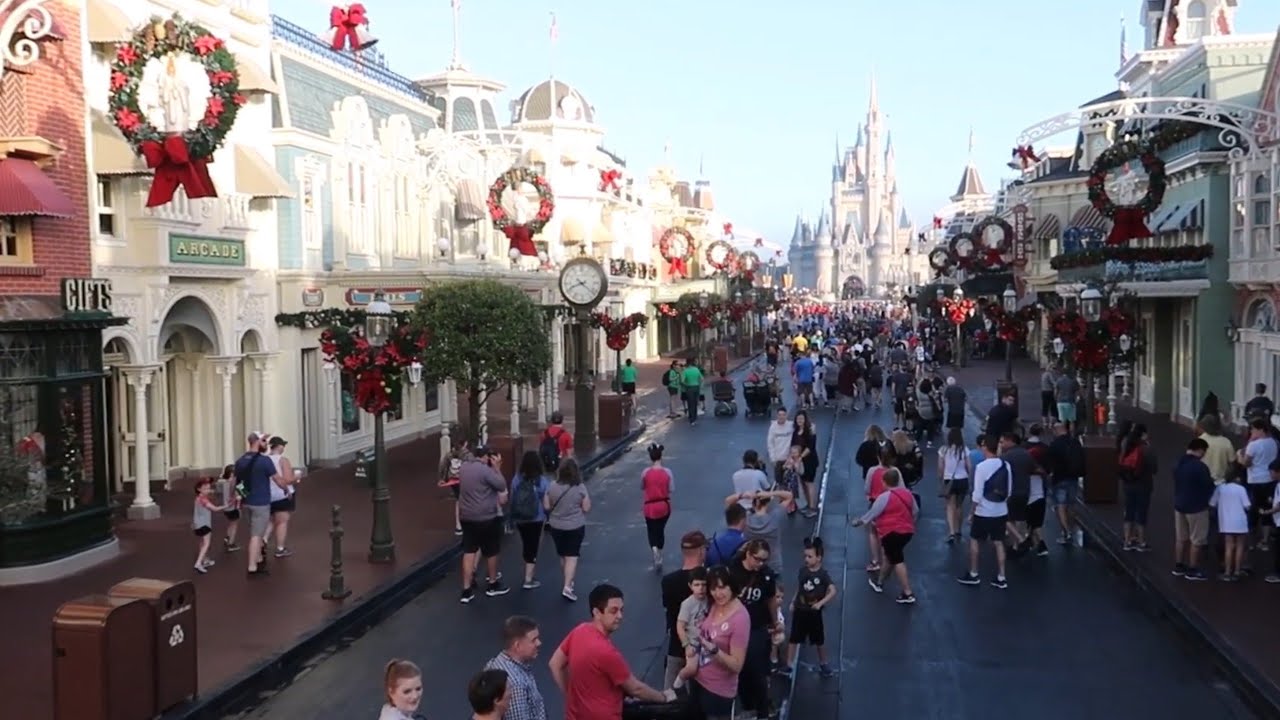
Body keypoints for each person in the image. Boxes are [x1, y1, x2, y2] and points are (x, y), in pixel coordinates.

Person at [548, 584, 673, 719]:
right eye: (613, 611)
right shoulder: (606, 652)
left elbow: (555, 664)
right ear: (596, 612)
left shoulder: (579, 631)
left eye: (621, 610)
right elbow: (635, 688)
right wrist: (663, 697)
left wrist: (571, 696)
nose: (620, 616)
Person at [681, 566, 750, 720]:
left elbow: (737, 665)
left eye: (722, 587)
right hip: (699, 680)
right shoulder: (714, 604)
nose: (718, 594)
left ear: (731, 585)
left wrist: (713, 650)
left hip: (718, 690)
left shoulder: (740, 618)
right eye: (713, 589)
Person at [727, 539, 779, 719]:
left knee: (759, 672)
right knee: (739, 670)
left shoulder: (766, 575)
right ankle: (748, 706)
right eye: (757, 559)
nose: (760, 564)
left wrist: (775, 622)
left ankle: (763, 709)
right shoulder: (733, 570)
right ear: (748, 554)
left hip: (757, 627)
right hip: (736, 629)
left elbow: (770, 599)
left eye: (764, 560)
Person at [853, 468, 919, 604]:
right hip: (907, 531)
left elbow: (873, 513)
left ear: (884, 482)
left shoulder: (884, 497)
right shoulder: (907, 494)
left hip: (891, 532)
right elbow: (915, 511)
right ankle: (880, 583)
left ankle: (908, 593)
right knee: (890, 557)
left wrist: (859, 521)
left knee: (897, 560)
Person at [458, 446, 511, 603]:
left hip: (467, 516)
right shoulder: (485, 471)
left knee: (469, 551)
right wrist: (497, 468)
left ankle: (466, 589)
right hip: (486, 517)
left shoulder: (464, 468)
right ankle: (492, 583)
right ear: (487, 457)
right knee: (491, 551)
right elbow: (501, 485)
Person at [958, 436, 1011, 589]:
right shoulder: (1005, 465)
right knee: (999, 542)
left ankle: (974, 573)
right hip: (1001, 510)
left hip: (983, 511)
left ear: (985, 448)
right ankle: (1002, 576)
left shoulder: (982, 467)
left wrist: (972, 512)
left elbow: (977, 493)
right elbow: (1009, 490)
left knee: (975, 540)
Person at [661, 531, 708, 688]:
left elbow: (669, 611)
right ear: (701, 551)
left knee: (669, 694)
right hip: (703, 649)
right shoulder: (709, 580)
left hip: (676, 646)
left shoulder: (668, 581)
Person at [783, 537, 836, 677]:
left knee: (819, 640)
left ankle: (824, 663)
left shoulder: (823, 575)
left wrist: (820, 603)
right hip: (801, 610)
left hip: (813, 613)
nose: (806, 559)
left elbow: (833, 591)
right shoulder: (803, 571)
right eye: (805, 556)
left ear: (818, 558)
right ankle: (789, 664)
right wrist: (793, 602)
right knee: (794, 638)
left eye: (809, 556)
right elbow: (799, 588)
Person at [234, 432, 281, 576]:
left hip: (246, 502)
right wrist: (287, 488)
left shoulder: (240, 461)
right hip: (261, 502)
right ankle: (252, 566)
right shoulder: (264, 461)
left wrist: (237, 499)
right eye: (264, 441)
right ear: (258, 441)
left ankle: (259, 558)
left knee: (255, 532)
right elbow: (277, 479)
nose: (266, 444)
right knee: (256, 535)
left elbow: (236, 482)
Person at [546, 458, 591, 602]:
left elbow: (547, 506)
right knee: (572, 556)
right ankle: (567, 586)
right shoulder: (580, 488)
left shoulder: (552, 486)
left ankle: (568, 580)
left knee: (563, 554)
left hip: (556, 526)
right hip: (575, 526)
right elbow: (586, 508)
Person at [485, 615, 547, 720]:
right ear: (517, 646)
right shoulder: (515, 684)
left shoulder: (495, 662)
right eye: (533, 640)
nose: (539, 643)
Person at [1172, 438, 1214, 582]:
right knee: (1197, 539)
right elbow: (1208, 486)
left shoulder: (1178, 463)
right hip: (1196, 507)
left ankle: (1178, 566)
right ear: (1200, 450)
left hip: (1179, 504)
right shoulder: (1200, 467)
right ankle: (1193, 569)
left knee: (1181, 538)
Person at [508, 450, 551, 590]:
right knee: (532, 546)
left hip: (520, 517)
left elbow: (513, 496)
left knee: (526, 543)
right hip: (536, 517)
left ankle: (528, 567)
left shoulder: (516, 478)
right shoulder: (542, 481)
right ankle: (528, 578)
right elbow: (546, 502)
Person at [1118, 424, 1156, 552]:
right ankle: (1141, 541)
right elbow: (1154, 468)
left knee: (1129, 511)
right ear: (1143, 435)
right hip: (1144, 485)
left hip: (1128, 484)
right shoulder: (1146, 449)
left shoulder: (1126, 445)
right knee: (1141, 513)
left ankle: (1127, 540)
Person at [738, 488, 794, 574]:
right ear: (768, 503)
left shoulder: (747, 519)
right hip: (773, 564)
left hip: (753, 563)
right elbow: (789, 496)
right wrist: (771, 493)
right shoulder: (776, 516)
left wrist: (743, 495)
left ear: (754, 504)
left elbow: (728, 502)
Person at [672, 566, 710, 689]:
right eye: (697, 585)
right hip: (693, 643)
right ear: (690, 586)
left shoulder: (710, 600)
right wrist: (686, 645)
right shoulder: (688, 604)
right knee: (692, 668)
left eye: (704, 585)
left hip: (708, 642)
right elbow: (680, 626)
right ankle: (677, 684)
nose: (701, 589)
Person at [1210, 471, 1251, 581]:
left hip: (1226, 522)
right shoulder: (1241, 489)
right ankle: (1237, 571)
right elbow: (1247, 506)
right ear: (1236, 478)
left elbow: (1212, 503)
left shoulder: (1220, 488)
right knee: (1240, 546)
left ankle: (1227, 572)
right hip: (1240, 522)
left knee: (1229, 547)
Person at [641, 443, 674, 570]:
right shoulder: (667, 472)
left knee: (651, 529)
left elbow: (642, 487)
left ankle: (654, 549)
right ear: (661, 456)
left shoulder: (645, 472)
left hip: (649, 506)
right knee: (660, 529)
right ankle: (659, 550)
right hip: (664, 505)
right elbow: (672, 488)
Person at [937, 428, 971, 544]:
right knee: (959, 506)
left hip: (949, 480)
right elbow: (969, 466)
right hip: (962, 479)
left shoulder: (943, 450)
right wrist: (968, 475)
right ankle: (958, 530)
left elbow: (941, 467)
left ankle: (951, 532)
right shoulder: (964, 449)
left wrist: (941, 478)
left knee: (950, 506)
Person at [192, 477, 227, 574]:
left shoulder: (198, 498)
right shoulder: (203, 500)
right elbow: (214, 509)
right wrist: (225, 506)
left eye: (209, 488)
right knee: (206, 543)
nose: (209, 490)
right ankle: (198, 563)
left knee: (202, 542)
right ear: (199, 489)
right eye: (206, 488)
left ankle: (205, 560)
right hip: (205, 525)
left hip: (197, 524)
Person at [792, 410, 820, 517]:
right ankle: (808, 504)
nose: (800, 421)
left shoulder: (810, 431)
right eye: (798, 419)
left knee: (809, 483)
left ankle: (812, 507)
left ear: (805, 420)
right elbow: (793, 445)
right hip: (800, 462)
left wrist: (800, 457)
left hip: (809, 461)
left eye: (801, 419)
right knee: (803, 484)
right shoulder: (796, 431)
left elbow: (810, 447)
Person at [766, 408, 793, 487]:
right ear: (777, 416)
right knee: (779, 483)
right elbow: (770, 443)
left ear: (786, 415)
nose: (781, 417)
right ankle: (782, 498)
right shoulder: (773, 427)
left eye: (783, 415)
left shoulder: (791, 425)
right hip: (778, 460)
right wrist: (772, 458)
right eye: (780, 415)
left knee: (790, 483)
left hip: (789, 459)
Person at [681, 360, 705, 424]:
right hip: (696, 387)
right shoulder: (696, 369)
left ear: (687, 364)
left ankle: (691, 418)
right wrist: (699, 384)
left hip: (689, 388)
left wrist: (686, 384)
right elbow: (702, 378)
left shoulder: (685, 371)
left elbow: (682, 381)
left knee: (690, 403)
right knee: (695, 402)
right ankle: (695, 416)